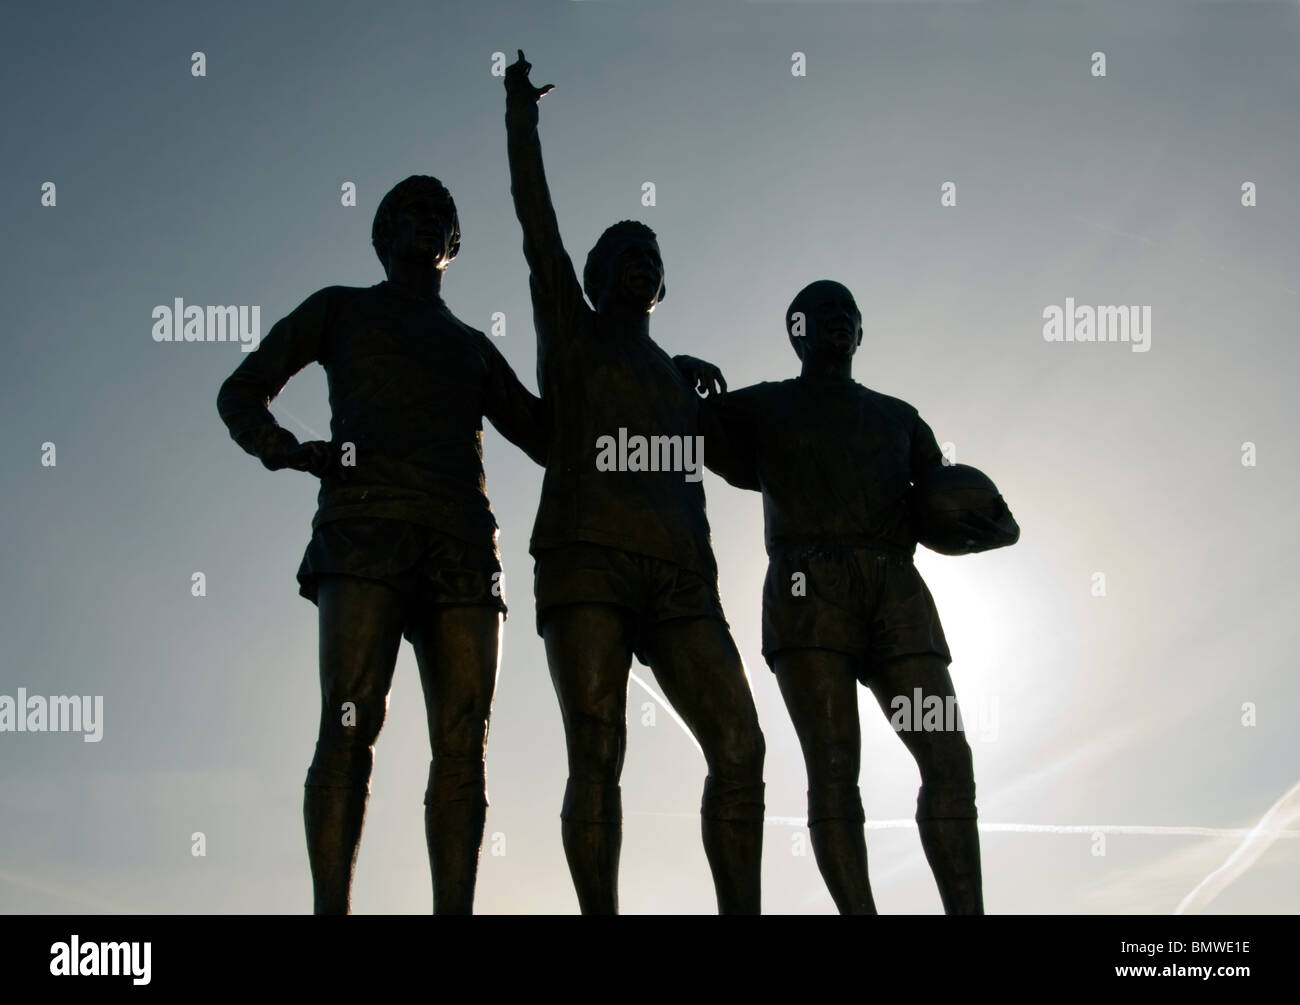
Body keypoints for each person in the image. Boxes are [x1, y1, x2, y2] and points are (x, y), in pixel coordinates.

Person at [216, 175, 546, 914]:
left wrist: (647, 384)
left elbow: (550, 436)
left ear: (454, 244)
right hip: (364, 529)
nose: (428, 223)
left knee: (465, 740)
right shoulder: (342, 309)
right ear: (384, 233)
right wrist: (288, 450)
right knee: (350, 715)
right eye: (412, 212)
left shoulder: (472, 348)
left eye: (441, 216)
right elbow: (241, 389)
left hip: (463, 543)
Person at [503, 50, 766, 914]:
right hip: (587, 557)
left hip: (683, 574)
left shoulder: (682, 378)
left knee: (741, 745)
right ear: (592, 276)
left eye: (651, 254)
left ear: (664, 283)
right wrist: (520, 116)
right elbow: (535, 218)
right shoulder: (570, 331)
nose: (639, 262)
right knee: (598, 749)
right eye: (623, 253)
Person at [696, 279, 1019, 914]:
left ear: (862, 332)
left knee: (949, 758)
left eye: (848, 312)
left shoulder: (899, 417)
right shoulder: (761, 408)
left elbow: (953, 501)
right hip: (807, 590)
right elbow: (681, 425)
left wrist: (992, 525)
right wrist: (677, 375)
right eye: (823, 311)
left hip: (896, 591)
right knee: (835, 768)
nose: (837, 320)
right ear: (797, 329)